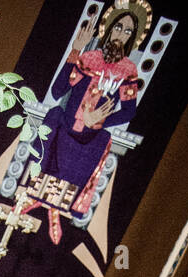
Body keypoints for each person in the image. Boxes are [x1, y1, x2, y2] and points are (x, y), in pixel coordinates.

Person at [36, 7, 142, 226]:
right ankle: (38, 203)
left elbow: (129, 110)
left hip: (88, 140)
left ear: (132, 38)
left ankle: (60, 215)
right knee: (54, 119)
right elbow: (58, 92)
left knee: (95, 147)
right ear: (109, 28)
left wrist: (98, 121)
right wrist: (75, 51)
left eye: (128, 32)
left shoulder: (128, 70)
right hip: (65, 129)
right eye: (118, 27)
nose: (121, 34)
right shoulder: (89, 58)